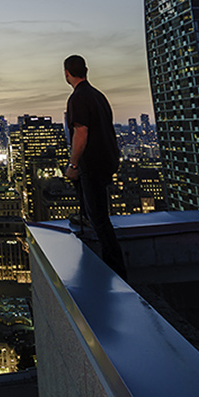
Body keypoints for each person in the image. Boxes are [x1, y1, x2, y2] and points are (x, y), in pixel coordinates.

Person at [63, 54, 128, 280]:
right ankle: (86, 217)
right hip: (108, 157)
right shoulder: (98, 95)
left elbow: (81, 132)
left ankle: (116, 270)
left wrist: (73, 164)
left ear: (66, 74)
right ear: (86, 71)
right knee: (94, 209)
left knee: (100, 219)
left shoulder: (78, 98)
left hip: (94, 162)